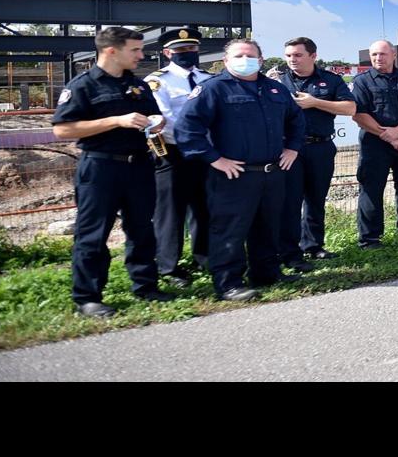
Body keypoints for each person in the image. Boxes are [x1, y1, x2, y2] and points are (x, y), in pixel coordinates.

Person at [51, 26, 174, 317]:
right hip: (100, 167)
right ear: (111, 50)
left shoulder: (139, 85)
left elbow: (152, 116)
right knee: (93, 234)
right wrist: (116, 120)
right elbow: (63, 129)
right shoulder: (83, 85)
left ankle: (145, 285)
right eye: (135, 50)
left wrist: (156, 123)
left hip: (139, 165)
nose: (141, 56)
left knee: (142, 228)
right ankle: (88, 297)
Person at [173, 38, 305, 302]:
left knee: (268, 227)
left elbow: (296, 120)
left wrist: (292, 148)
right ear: (225, 61)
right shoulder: (212, 89)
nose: (244, 60)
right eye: (238, 56)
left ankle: (266, 273)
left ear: (261, 59)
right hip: (233, 175)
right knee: (230, 230)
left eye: (250, 55)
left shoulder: (275, 89)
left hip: (271, 172)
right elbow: (186, 129)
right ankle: (229, 283)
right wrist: (214, 159)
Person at [270, 36, 353, 267]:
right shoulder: (276, 81)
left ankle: (314, 246)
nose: (292, 60)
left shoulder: (330, 80)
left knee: (316, 199)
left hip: (321, 147)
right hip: (288, 151)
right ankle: (289, 253)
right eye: (288, 56)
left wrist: (315, 102)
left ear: (313, 56)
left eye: (298, 55)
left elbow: (350, 107)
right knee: (290, 202)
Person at [143, 26, 214, 287]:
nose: (187, 53)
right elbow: (164, 119)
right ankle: (168, 267)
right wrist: (194, 137)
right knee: (170, 212)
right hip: (173, 153)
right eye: (181, 50)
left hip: (205, 153)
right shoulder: (157, 81)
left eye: (191, 48)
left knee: (204, 208)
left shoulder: (208, 78)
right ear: (167, 52)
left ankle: (203, 258)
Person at [350, 40, 398, 249]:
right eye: (374, 54)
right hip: (374, 144)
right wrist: (391, 137)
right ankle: (370, 239)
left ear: (394, 55)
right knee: (371, 190)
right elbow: (359, 115)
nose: (378, 58)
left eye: (383, 54)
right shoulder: (362, 81)